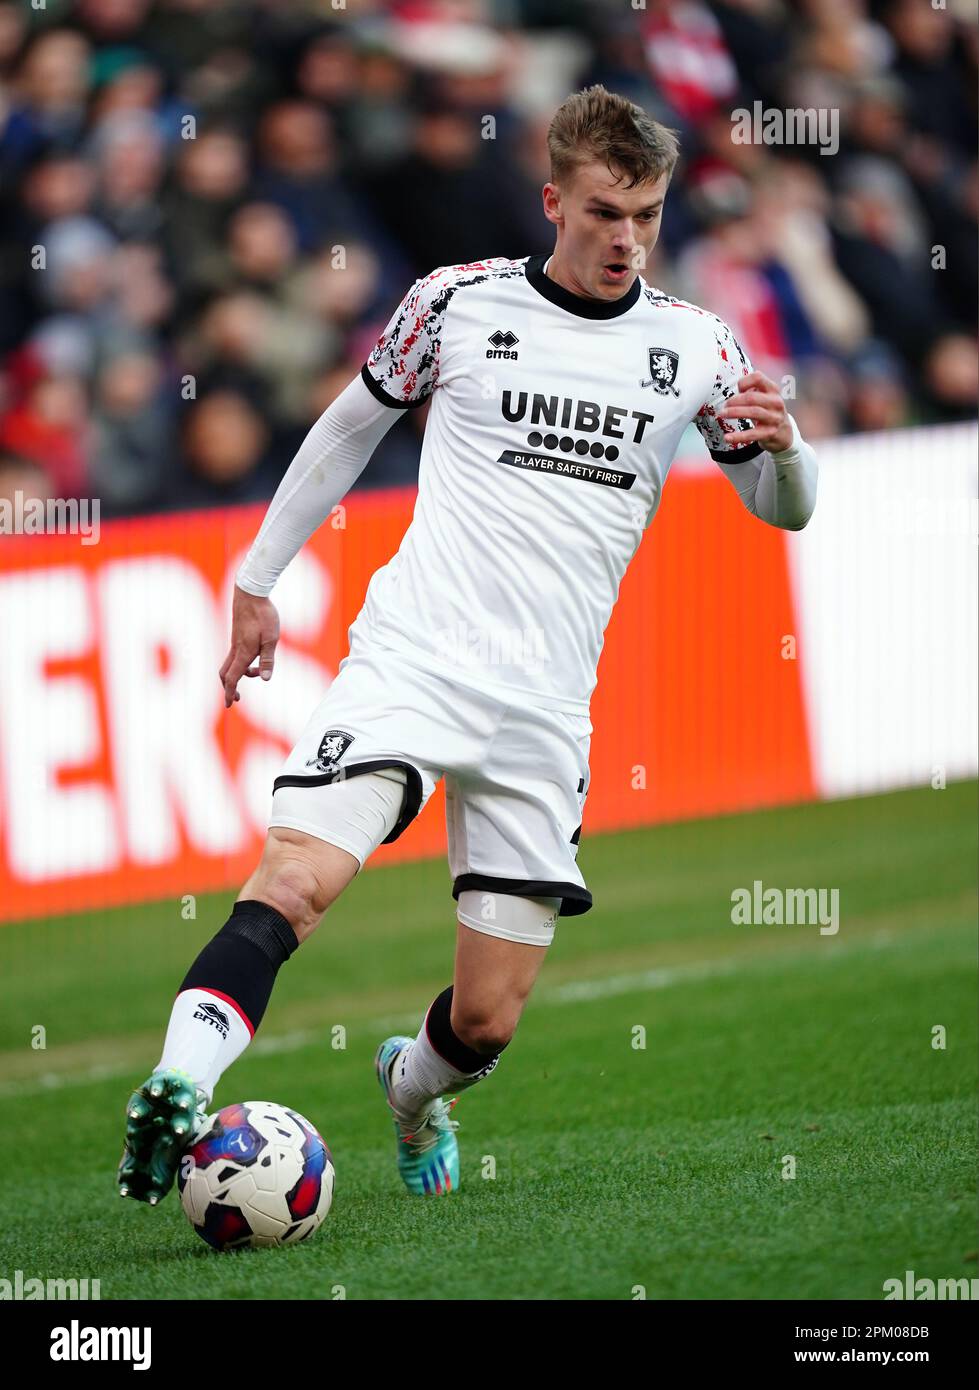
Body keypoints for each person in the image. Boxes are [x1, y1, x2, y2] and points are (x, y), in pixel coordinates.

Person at [118, 84, 817, 1204]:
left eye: (644, 214)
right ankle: (175, 1084)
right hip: (415, 659)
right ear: (551, 199)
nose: (625, 237)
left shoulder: (694, 346)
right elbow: (350, 424)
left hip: (542, 709)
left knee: (486, 1018)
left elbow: (783, 510)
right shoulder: (456, 304)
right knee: (295, 880)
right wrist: (255, 580)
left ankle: (411, 1089)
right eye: (602, 211)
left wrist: (787, 456)